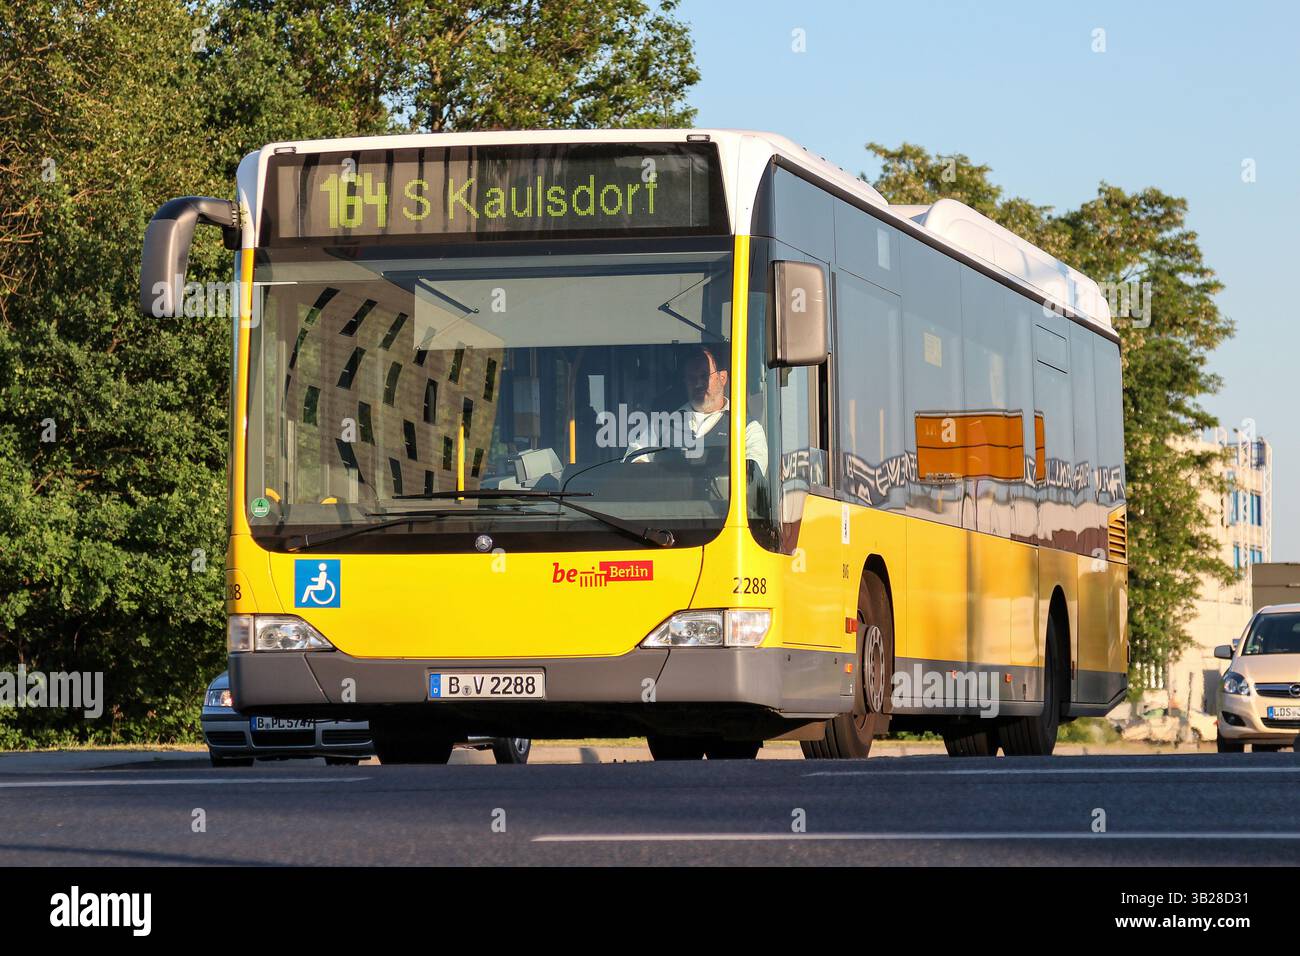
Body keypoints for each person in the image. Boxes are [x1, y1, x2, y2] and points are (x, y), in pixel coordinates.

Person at [625, 345, 768, 475]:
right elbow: (633, 458)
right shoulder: (662, 424)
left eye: (704, 376)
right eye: (691, 378)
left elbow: (753, 476)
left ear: (722, 378)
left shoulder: (747, 428)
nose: (698, 384)